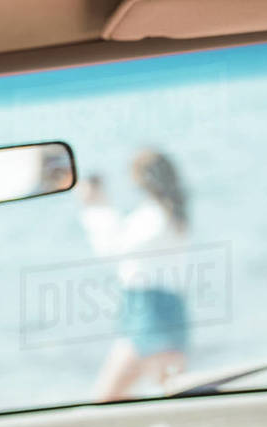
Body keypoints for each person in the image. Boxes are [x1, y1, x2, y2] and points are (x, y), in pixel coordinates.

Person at [79, 149, 190, 401]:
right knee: (169, 394)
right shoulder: (169, 215)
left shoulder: (155, 216)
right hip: (161, 309)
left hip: (150, 311)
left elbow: (112, 247)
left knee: (106, 397)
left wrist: (94, 206)